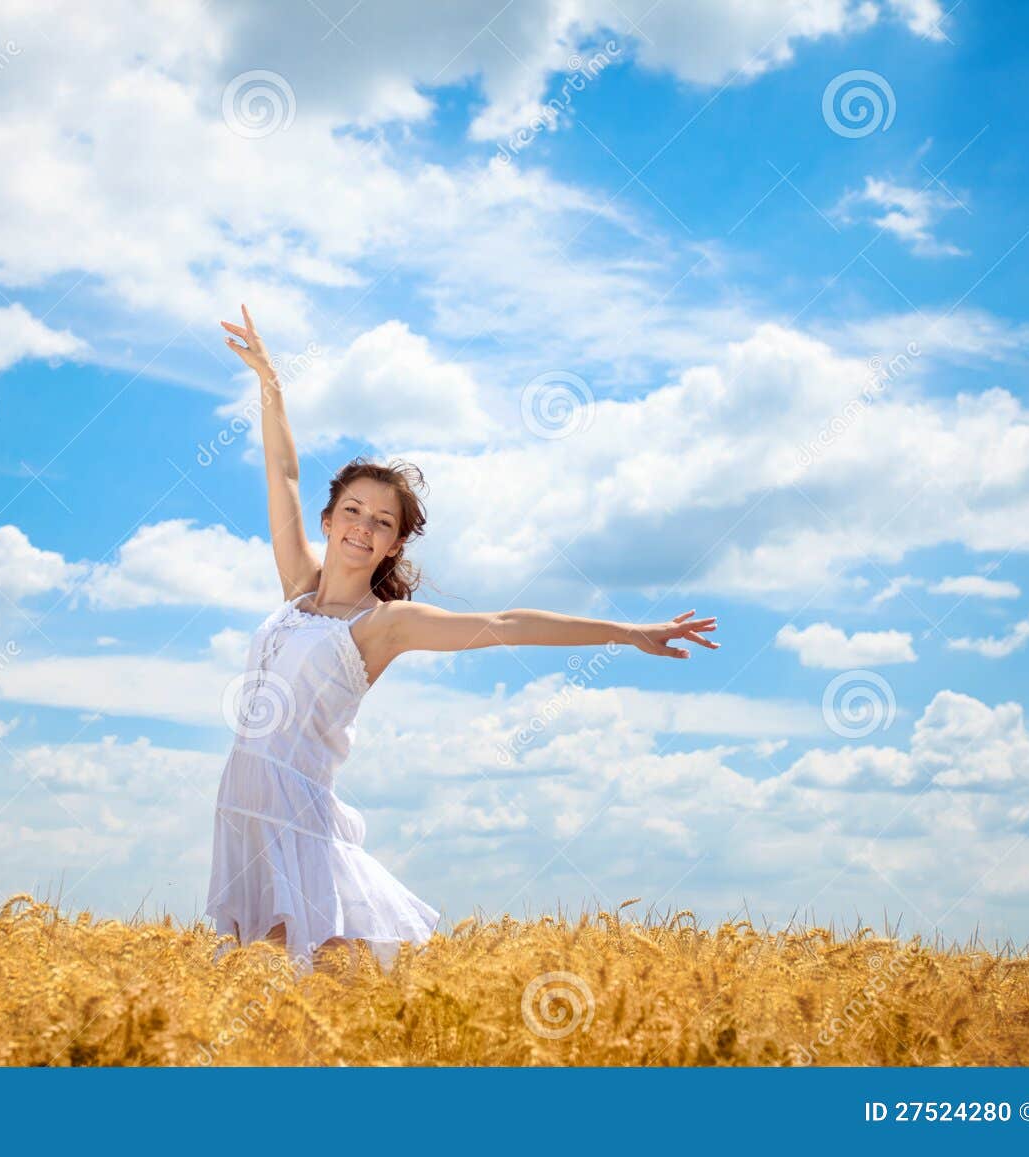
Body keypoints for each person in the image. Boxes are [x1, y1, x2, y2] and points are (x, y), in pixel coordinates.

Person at [205, 305, 719, 970]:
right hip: (242, 807)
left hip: (297, 819)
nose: (363, 527)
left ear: (393, 544)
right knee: (261, 994)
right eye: (353, 512)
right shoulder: (296, 587)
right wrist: (270, 385)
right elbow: (285, 476)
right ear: (329, 520)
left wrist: (626, 631)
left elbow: (505, 625)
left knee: (305, 983)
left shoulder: (382, 625)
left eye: (382, 522)